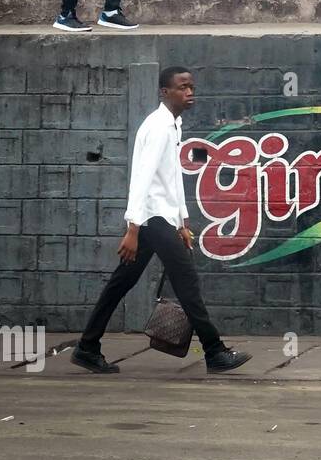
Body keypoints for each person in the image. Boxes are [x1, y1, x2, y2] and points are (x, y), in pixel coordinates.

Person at [72, 67, 250, 374]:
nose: (189, 92)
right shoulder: (157, 127)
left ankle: (87, 347)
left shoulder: (173, 125)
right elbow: (142, 178)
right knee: (187, 283)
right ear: (164, 92)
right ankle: (215, 352)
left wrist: (182, 221)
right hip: (151, 220)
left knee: (121, 282)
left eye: (192, 86)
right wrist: (132, 228)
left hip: (160, 219)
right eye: (183, 87)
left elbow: (172, 176)